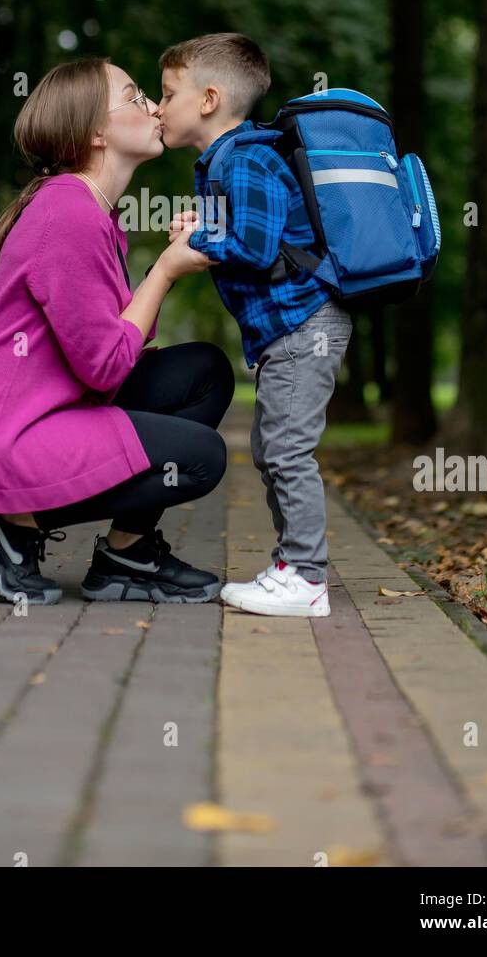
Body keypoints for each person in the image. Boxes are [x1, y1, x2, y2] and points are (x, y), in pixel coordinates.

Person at [0, 56, 235, 605]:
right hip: (7, 436)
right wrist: (166, 272)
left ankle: (128, 555)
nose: (152, 106)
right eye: (134, 96)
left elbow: (115, 341)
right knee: (201, 457)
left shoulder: (93, 213)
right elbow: (106, 366)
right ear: (97, 131)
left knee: (204, 373)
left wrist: (164, 263)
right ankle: (7, 527)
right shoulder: (68, 213)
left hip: (46, 413)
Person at [157, 33, 352, 617]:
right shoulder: (230, 161)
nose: (159, 107)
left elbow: (259, 247)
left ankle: (307, 579)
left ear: (209, 98)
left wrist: (200, 237)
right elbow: (251, 232)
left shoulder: (245, 157)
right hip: (288, 329)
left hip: (304, 325)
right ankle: (293, 567)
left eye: (168, 95)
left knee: (288, 451)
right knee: (273, 448)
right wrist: (206, 224)